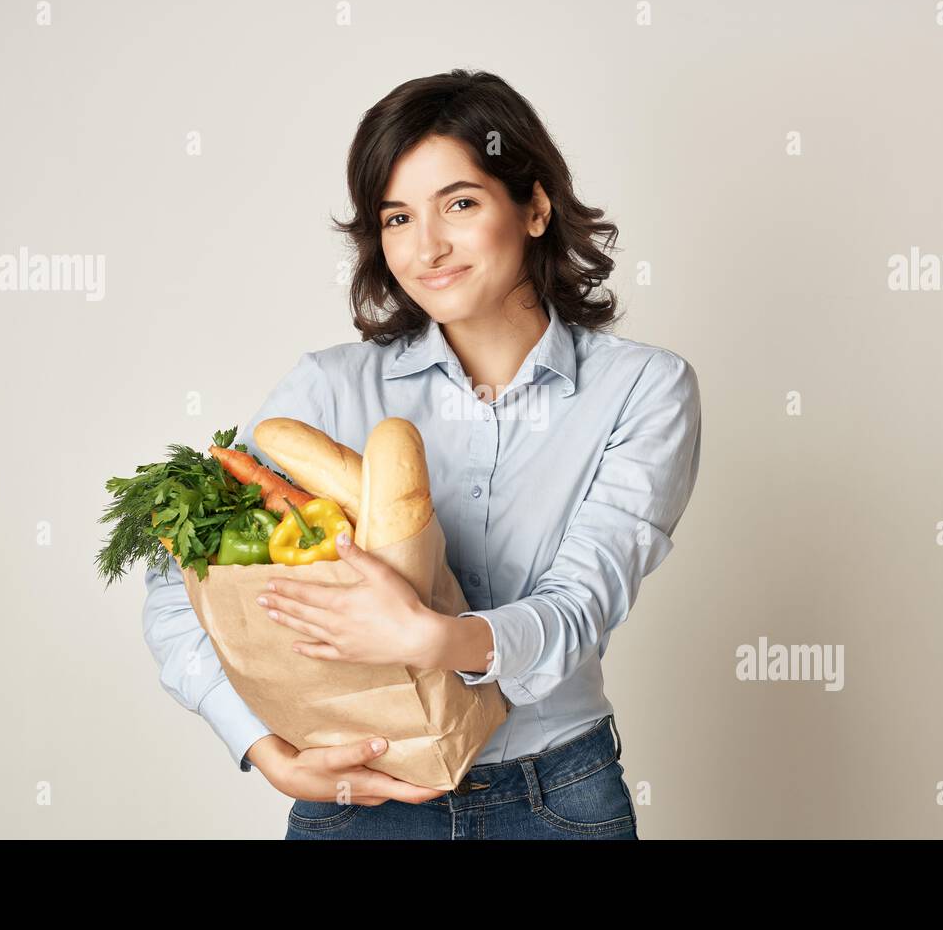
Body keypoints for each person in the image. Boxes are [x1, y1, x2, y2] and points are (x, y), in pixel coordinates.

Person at [143, 69, 702, 840]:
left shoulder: (642, 389)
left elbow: (581, 605)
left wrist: (433, 637)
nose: (427, 246)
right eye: (398, 216)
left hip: (556, 802)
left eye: (460, 204)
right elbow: (179, 584)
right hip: (359, 805)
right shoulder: (327, 388)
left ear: (535, 206)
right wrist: (264, 747)